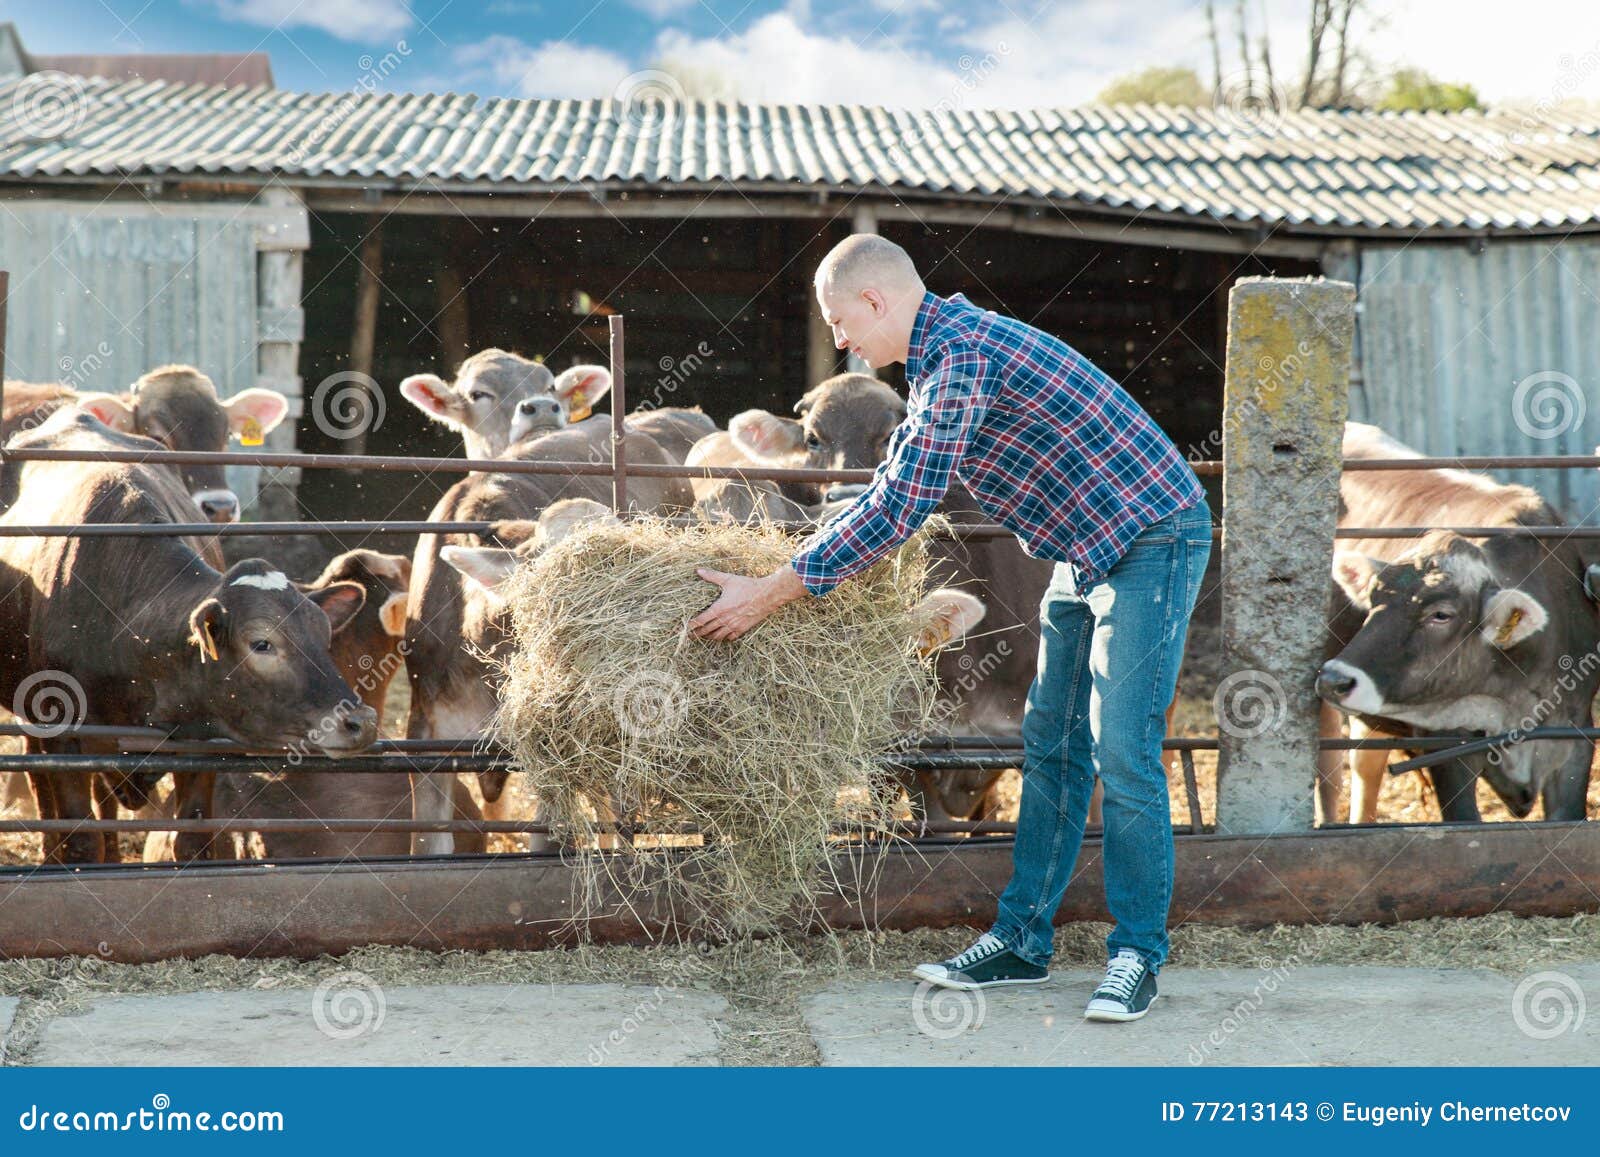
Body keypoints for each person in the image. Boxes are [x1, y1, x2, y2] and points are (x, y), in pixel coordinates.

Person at [689, 234, 1210, 1022]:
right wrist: (787, 568)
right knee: (1050, 745)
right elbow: (889, 489)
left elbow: (903, 504)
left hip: (1151, 535)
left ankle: (1137, 952)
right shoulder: (940, 361)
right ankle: (1023, 941)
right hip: (1080, 548)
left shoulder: (959, 358)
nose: (839, 341)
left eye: (839, 320)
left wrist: (771, 593)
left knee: (1123, 749)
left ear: (874, 301)